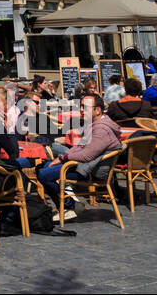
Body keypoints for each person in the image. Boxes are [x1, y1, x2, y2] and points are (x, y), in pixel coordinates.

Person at [37, 93, 123, 223]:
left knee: (43, 174)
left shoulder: (102, 130)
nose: (81, 109)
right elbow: (79, 148)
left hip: (91, 171)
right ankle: (68, 206)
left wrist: (62, 158)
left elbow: (87, 155)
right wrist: (63, 157)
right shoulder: (94, 124)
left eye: (85, 107)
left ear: (97, 110)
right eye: (81, 106)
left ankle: (69, 206)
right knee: (42, 167)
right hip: (85, 166)